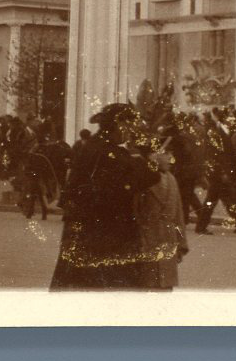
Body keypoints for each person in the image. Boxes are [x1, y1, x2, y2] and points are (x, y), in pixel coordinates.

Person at [50, 103, 162, 290]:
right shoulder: (107, 152)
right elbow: (135, 178)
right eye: (128, 126)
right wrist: (153, 164)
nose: (129, 132)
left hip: (87, 229)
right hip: (104, 234)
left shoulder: (95, 145)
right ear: (118, 125)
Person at [134, 150, 188, 291]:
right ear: (153, 156)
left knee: (166, 284)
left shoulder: (172, 180)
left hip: (168, 238)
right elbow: (136, 212)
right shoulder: (143, 180)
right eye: (166, 154)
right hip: (148, 237)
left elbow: (178, 213)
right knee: (149, 283)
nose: (171, 158)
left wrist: (181, 243)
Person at [194, 109, 235, 234]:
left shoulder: (216, 131)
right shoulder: (216, 132)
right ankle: (201, 226)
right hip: (217, 172)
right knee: (213, 199)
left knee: (225, 197)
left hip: (216, 171)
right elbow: (217, 155)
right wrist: (222, 172)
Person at [18, 140, 62, 220]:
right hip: (39, 177)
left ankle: (31, 213)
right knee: (39, 195)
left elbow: (29, 168)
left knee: (34, 195)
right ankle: (41, 213)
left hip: (34, 178)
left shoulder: (34, 156)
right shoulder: (41, 156)